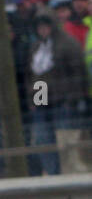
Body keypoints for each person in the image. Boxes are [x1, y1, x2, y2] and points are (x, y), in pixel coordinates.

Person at [27, 13, 88, 174]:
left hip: (63, 100)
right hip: (41, 98)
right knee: (42, 139)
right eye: (39, 27)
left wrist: (74, 98)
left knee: (65, 139)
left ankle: (66, 173)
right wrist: (33, 100)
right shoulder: (36, 47)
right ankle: (53, 172)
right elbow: (33, 75)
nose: (42, 30)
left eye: (45, 26)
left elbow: (78, 73)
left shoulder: (68, 44)